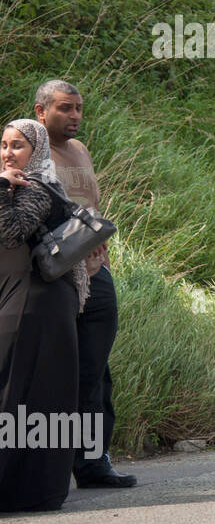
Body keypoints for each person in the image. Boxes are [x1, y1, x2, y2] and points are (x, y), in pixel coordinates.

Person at [34, 80, 136, 488]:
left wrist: (103, 261)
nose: (75, 116)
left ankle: (92, 463)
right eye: (64, 108)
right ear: (41, 111)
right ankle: (42, 469)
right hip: (54, 278)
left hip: (97, 273)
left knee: (95, 371)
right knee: (52, 372)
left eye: (78, 108)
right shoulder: (28, 150)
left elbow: (91, 206)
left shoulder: (80, 150)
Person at [0, 119, 89, 512]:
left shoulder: (36, 185)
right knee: (24, 393)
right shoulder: (22, 182)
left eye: (17, 145)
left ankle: (30, 490)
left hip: (37, 304)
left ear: (34, 150)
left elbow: (12, 233)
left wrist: (2, 187)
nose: (7, 153)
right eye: (3, 145)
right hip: (23, 299)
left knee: (26, 393)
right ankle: (25, 489)